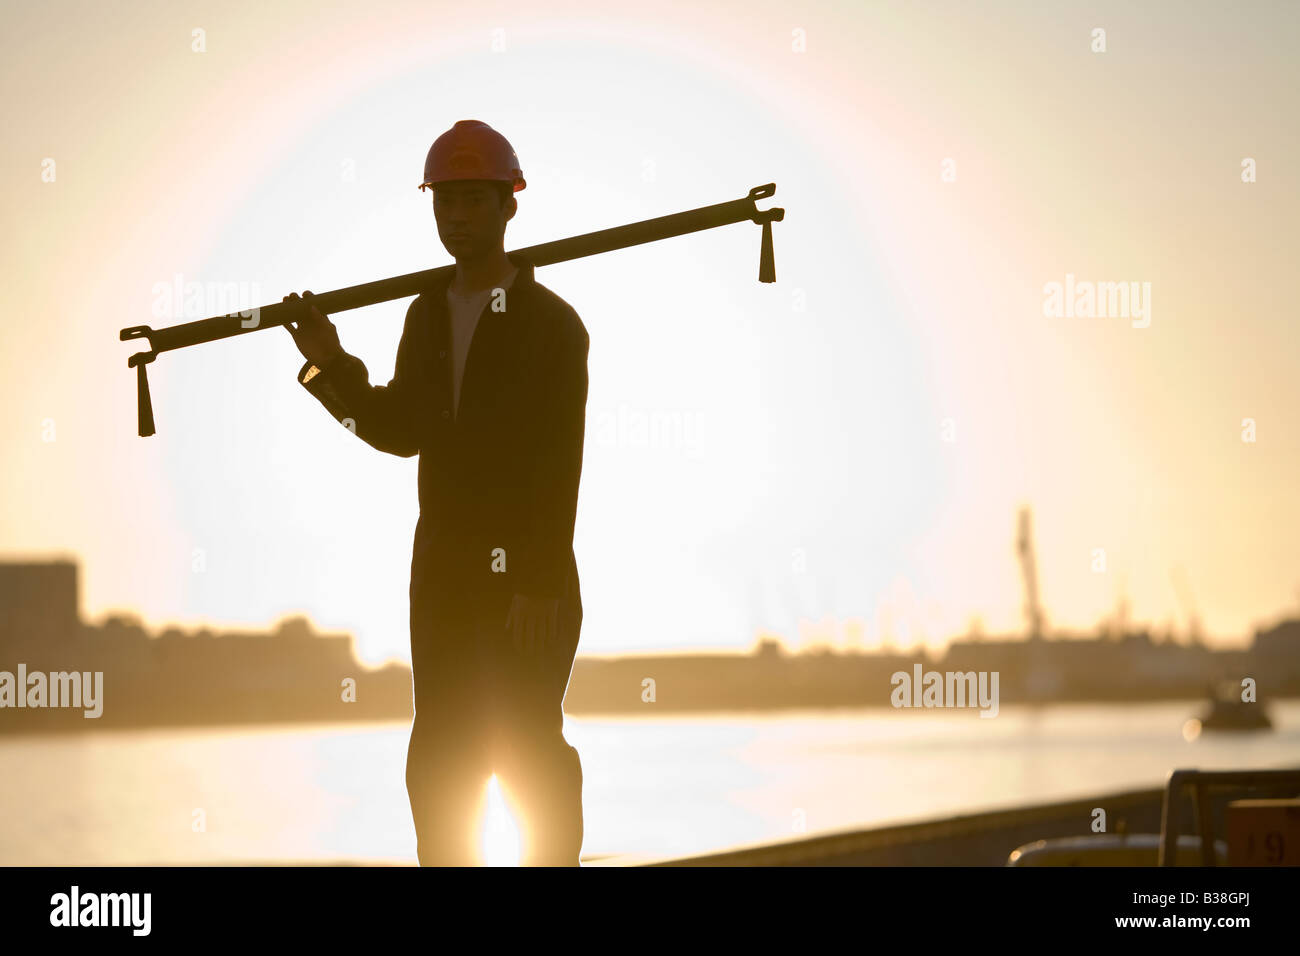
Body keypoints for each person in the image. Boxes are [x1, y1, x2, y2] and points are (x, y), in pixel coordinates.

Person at [282, 120, 590, 866]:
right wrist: (331, 366)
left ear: (509, 206)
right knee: (440, 762)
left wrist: (540, 580)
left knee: (529, 755)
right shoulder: (425, 314)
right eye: (444, 202)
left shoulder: (553, 327)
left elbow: (558, 461)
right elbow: (400, 430)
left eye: (472, 201)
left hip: (527, 586)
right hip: (445, 582)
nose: (456, 217)